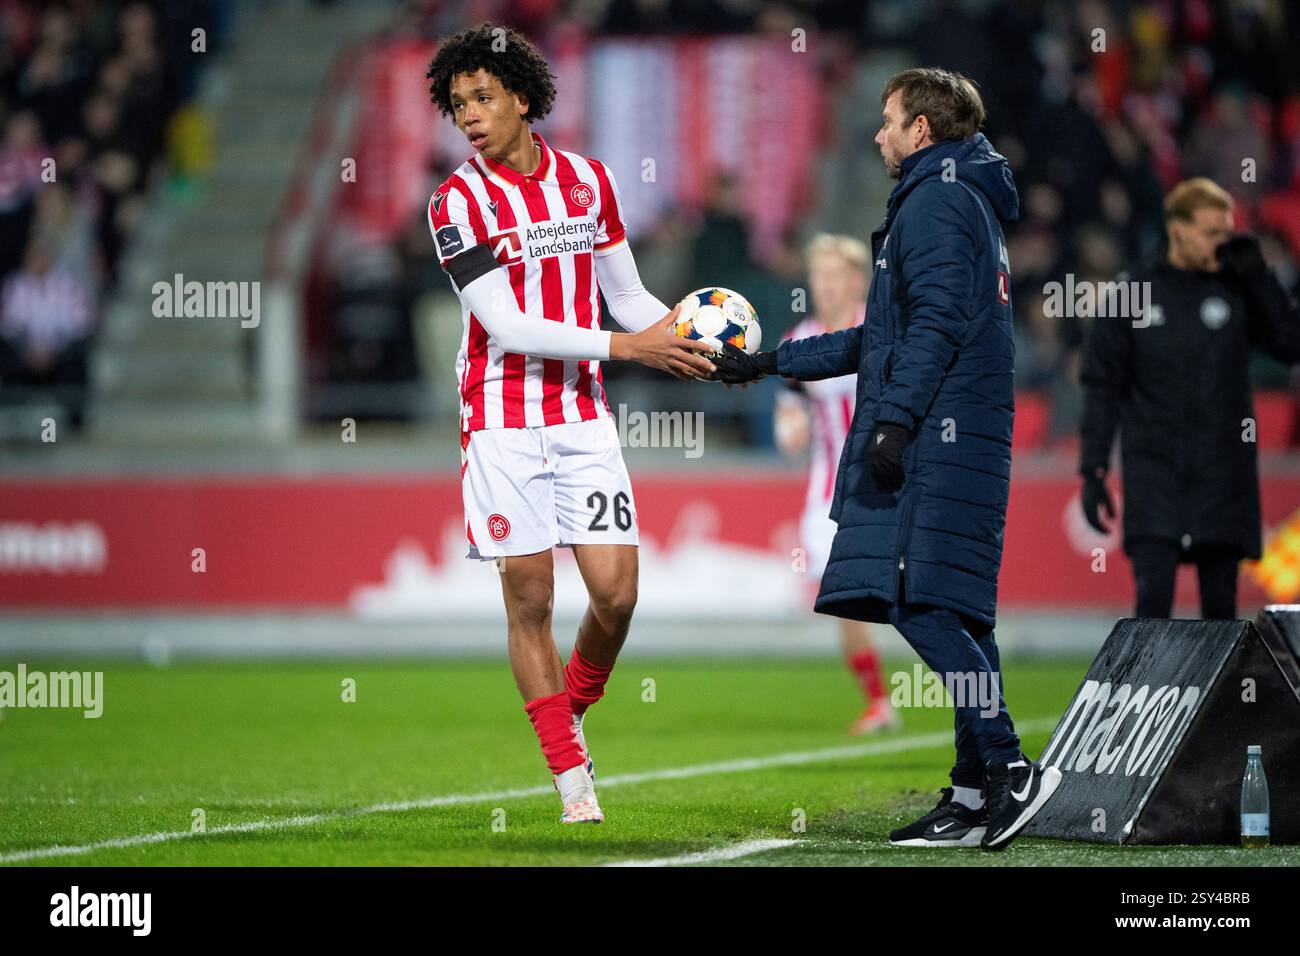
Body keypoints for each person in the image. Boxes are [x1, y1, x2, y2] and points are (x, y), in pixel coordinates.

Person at [713, 67, 1060, 850]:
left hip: (940, 438)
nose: (877, 134)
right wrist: (772, 362)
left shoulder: (935, 200)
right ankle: (974, 794)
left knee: (920, 603)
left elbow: (929, 325)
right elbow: (882, 338)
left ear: (922, 131)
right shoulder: (965, 198)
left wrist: (895, 423)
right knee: (964, 612)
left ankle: (1008, 768)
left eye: (888, 120)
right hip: (966, 435)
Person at [424, 23, 715, 824]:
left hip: (581, 414)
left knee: (616, 597)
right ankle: (570, 776)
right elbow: (508, 324)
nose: (472, 115)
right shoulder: (455, 203)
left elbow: (628, 298)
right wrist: (631, 347)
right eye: (458, 105)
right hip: (501, 416)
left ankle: (569, 709)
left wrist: (692, 336)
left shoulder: (587, 182)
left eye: (484, 97)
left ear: (523, 97)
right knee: (530, 595)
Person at [1079, 177, 1300, 618]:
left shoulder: (1239, 287)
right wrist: (1094, 469)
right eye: (1211, 232)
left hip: (1223, 479)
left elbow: (1290, 345)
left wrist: (1261, 278)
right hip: (1155, 478)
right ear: (1177, 228)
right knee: (1152, 609)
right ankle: (1150, 689)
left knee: (1221, 614)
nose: (1222, 243)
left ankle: (1224, 692)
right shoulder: (1132, 293)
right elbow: (1102, 386)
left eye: (1227, 231)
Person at [776, 233, 898, 734]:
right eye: (817, 276)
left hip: (886, 481)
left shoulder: (877, 331)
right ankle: (879, 701)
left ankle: (963, 691)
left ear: (855, 280)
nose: (823, 285)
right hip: (827, 491)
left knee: (908, 594)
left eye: (833, 275)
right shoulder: (797, 343)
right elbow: (788, 423)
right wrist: (791, 429)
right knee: (841, 595)